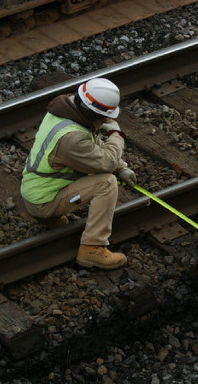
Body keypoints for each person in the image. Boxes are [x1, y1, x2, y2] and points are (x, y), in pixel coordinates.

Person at [21, 77, 136, 270]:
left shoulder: (65, 113)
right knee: (106, 183)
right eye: (104, 117)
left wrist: (121, 167)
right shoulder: (72, 138)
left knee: (100, 174)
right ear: (92, 113)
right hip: (45, 202)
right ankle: (92, 248)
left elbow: (90, 149)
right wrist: (117, 135)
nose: (107, 121)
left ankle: (51, 219)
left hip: (35, 190)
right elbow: (106, 162)